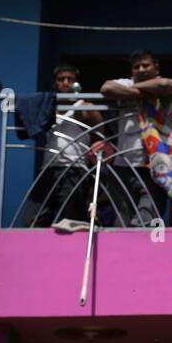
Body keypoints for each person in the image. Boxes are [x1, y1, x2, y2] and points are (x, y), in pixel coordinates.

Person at [23, 65, 113, 227]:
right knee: (32, 219)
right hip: (48, 169)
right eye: (61, 79)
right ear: (55, 84)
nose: (66, 83)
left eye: (70, 79)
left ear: (77, 83)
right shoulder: (47, 108)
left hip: (74, 169)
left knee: (71, 220)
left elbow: (100, 132)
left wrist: (81, 105)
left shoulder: (83, 106)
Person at [100, 50, 172, 226]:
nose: (141, 69)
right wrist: (144, 95)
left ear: (156, 68)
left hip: (154, 167)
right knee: (121, 222)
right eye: (136, 67)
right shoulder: (127, 83)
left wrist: (130, 92)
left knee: (147, 222)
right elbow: (106, 88)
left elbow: (164, 85)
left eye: (146, 65)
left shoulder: (164, 81)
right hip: (123, 166)